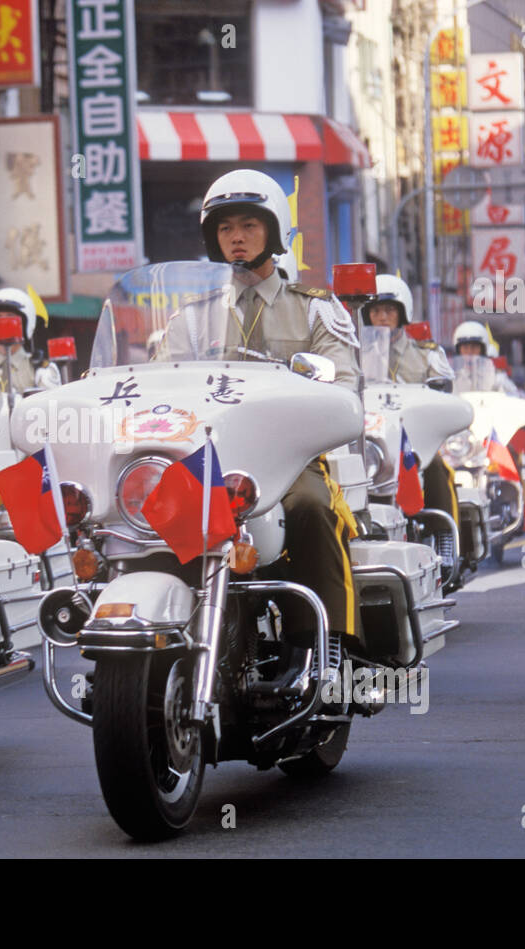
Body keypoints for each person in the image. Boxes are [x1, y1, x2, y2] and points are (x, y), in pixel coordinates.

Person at [194, 168, 363, 646]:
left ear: (273, 231)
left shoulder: (315, 307)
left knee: (310, 507)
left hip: (290, 461)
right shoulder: (192, 315)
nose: (237, 238)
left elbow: (342, 384)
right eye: (226, 228)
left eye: (249, 225)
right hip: (210, 461)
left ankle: (331, 644)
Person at [361, 275, 460, 560]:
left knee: (437, 468)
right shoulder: (354, 353)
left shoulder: (426, 354)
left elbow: (444, 393)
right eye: (375, 310)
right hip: (372, 441)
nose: (381, 317)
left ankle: (445, 542)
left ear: (402, 312)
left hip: (414, 442)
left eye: (389, 310)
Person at [0, 288, 61, 395]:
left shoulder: (41, 369)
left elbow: (50, 405)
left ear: (25, 324)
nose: (3, 323)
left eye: (10, 316)